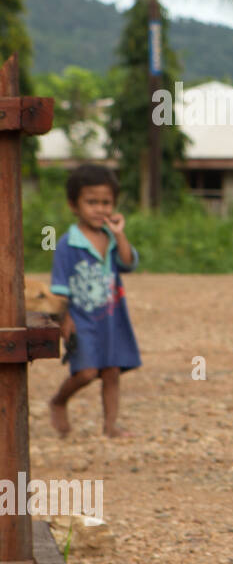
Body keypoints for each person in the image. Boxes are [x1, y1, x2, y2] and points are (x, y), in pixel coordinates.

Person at [47, 164, 142, 439]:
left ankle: (111, 425)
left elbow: (128, 263)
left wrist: (120, 234)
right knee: (87, 372)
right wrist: (64, 320)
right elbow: (60, 288)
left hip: (112, 318)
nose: (99, 209)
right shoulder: (68, 244)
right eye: (91, 202)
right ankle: (59, 400)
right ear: (74, 205)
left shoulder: (111, 239)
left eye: (106, 202)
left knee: (112, 371)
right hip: (81, 320)